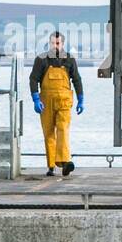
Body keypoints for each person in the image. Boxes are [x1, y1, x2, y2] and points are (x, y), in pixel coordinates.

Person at [29, 31, 84, 176]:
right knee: (48, 133)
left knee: (63, 129)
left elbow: (77, 79)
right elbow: (33, 79)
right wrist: (35, 99)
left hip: (64, 101)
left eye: (58, 43)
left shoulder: (70, 59)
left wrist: (81, 99)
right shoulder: (41, 59)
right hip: (45, 101)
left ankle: (65, 162)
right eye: (52, 43)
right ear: (49, 43)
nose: (55, 46)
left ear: (63, 44)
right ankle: (51, 166)